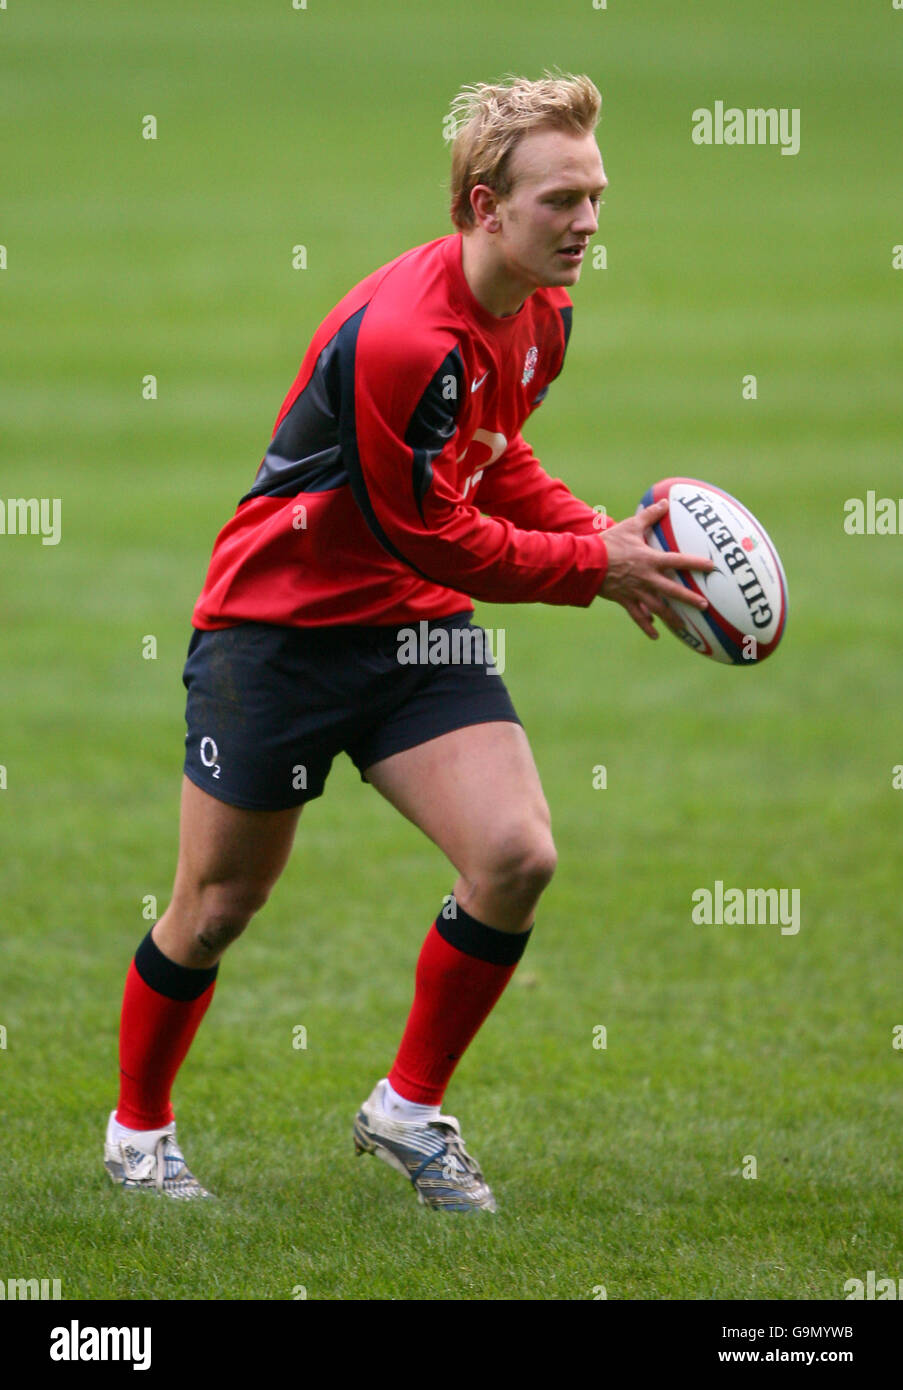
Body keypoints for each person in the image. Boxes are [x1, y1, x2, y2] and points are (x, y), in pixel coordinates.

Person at [103, 71, 713, 1212]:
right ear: (484, 207)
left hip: (413, 638)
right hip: (274, 635)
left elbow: (491, 456)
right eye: (559, 201)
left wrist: (592, 528)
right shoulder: (404, 337)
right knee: (218, 905)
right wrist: (597, 568)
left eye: (596, 195)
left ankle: (408, 1110)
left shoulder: (543, 311)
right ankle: (138, 1132)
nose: (586, 223)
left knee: (517, 854)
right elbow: (434, 533)